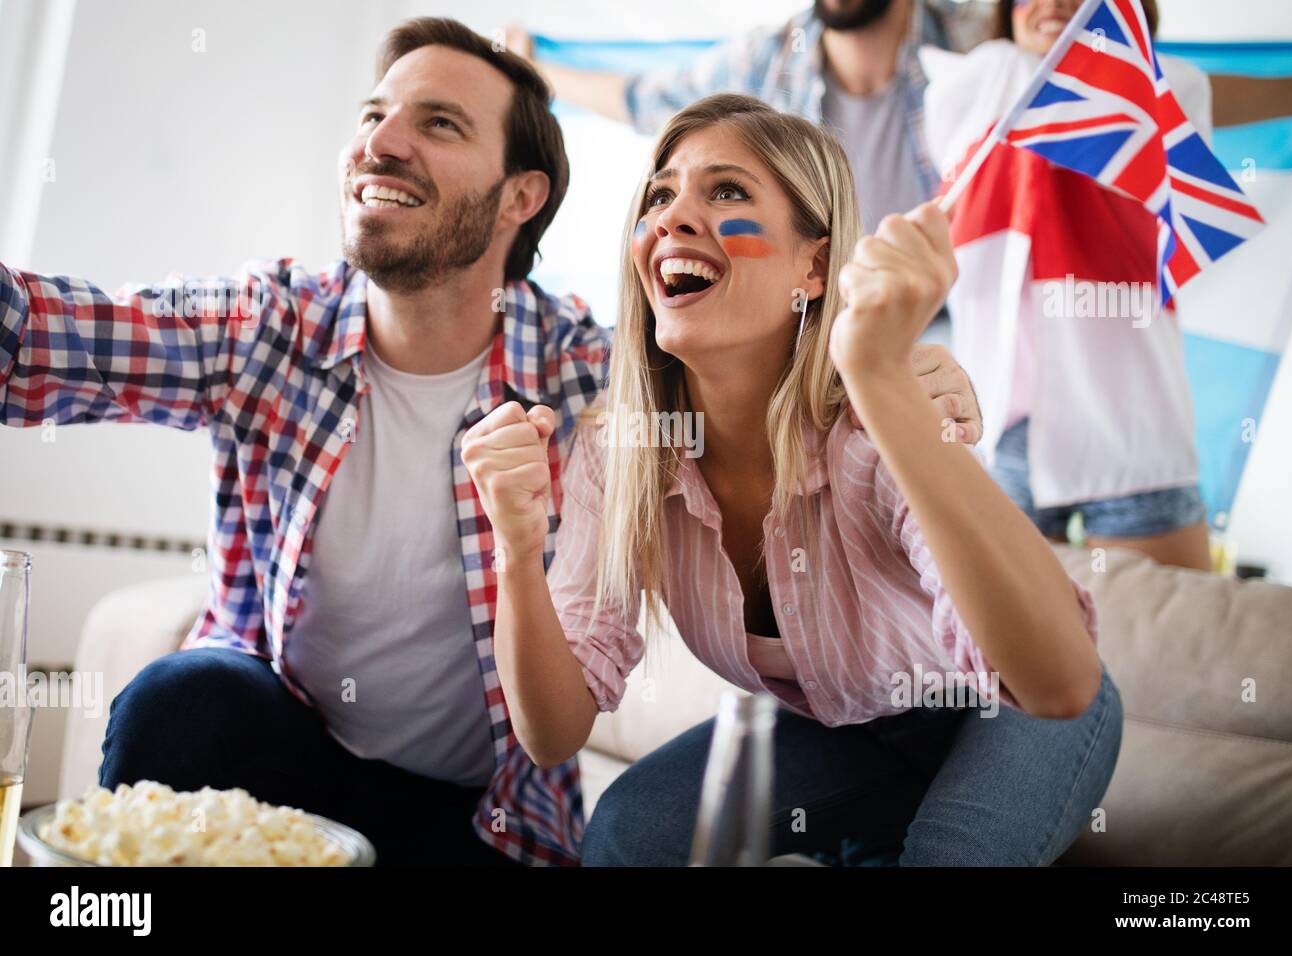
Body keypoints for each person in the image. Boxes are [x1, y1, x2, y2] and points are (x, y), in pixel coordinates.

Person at [0, 18, 983, 866]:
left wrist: (897, 376)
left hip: (480, 822)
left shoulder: (594, 377)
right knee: (181, 692)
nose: (381, 142)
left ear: (521, 196)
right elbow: (38, 335)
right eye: (373, 115)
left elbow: (757, 372)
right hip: (285, 759)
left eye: (437, 123)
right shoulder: (270, 328)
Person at [463, 93, 1122, 867]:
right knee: (628, 835)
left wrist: (881, 381)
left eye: (728, 191)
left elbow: (1058, 683)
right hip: (838, 733)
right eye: (659, 195)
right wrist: (515, 547)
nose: (672, 217)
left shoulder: (881, 420)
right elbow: (552, 733)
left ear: (815, 263)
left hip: (1002, 713)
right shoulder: (622, 449)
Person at [922, 0, 1215, 569]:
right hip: (1002, 424)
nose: (1053, 5)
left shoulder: (1168, 88)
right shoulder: (978, 84)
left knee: (1170, 637)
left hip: (1133, 416)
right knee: (1015, 650)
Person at [509, 0, 973, 235]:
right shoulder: (765, 61)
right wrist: (533, 72)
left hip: (948, 328)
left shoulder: (973, 48)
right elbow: (645, 100)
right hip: (816, 332)